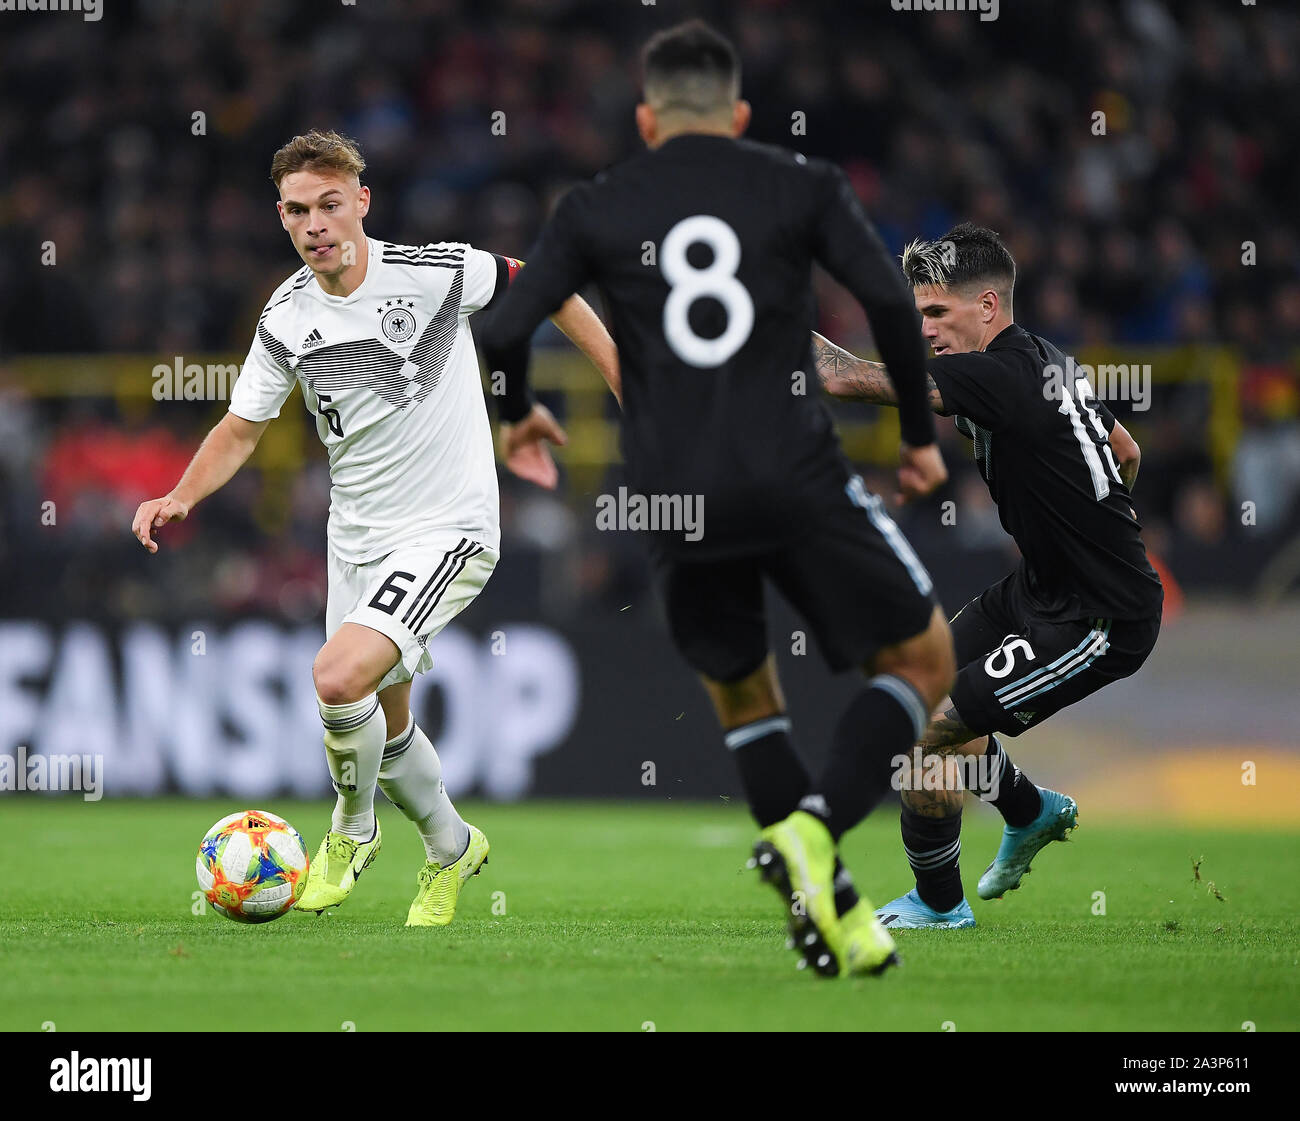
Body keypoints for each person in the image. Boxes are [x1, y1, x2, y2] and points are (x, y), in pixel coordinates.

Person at [481, 21, 954, 977]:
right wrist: (914, 436)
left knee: (745, 698)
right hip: (794, 472)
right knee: (924, 659)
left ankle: (832, 910)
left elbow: (503, 327)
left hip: (673, 499)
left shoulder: (595, 205)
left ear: (647, 121)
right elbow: (890, 304)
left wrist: (519, 414)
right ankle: (817, 830)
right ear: (738, 116)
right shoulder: (802, 184)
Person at [131, 129, 617, 927]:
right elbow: (242, 428)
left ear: (361, 201)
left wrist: (621, 377)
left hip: (450, 527)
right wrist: (182, 494)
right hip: (355, 538)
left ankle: (351, 831)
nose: (315, 224)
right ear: (281, 217)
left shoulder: (433, 273)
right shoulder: (286, 315)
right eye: (297, 210)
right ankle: (452, 846)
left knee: (336, 677)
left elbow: (550, 286)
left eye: (329, 204)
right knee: (384, 724)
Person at [815, 223, 1163, 928]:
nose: (926, 329)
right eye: (920, 314)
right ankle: (1028, 811)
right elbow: (1124, 449)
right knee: (917, 684)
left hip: (1099, 615)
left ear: (986, 306)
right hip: (1040, 588)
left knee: (919, 729)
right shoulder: (1046, 359)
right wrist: (1082, 529)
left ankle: (941, 904)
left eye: (937, 313)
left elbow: (840, 377)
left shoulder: (1000, 374)